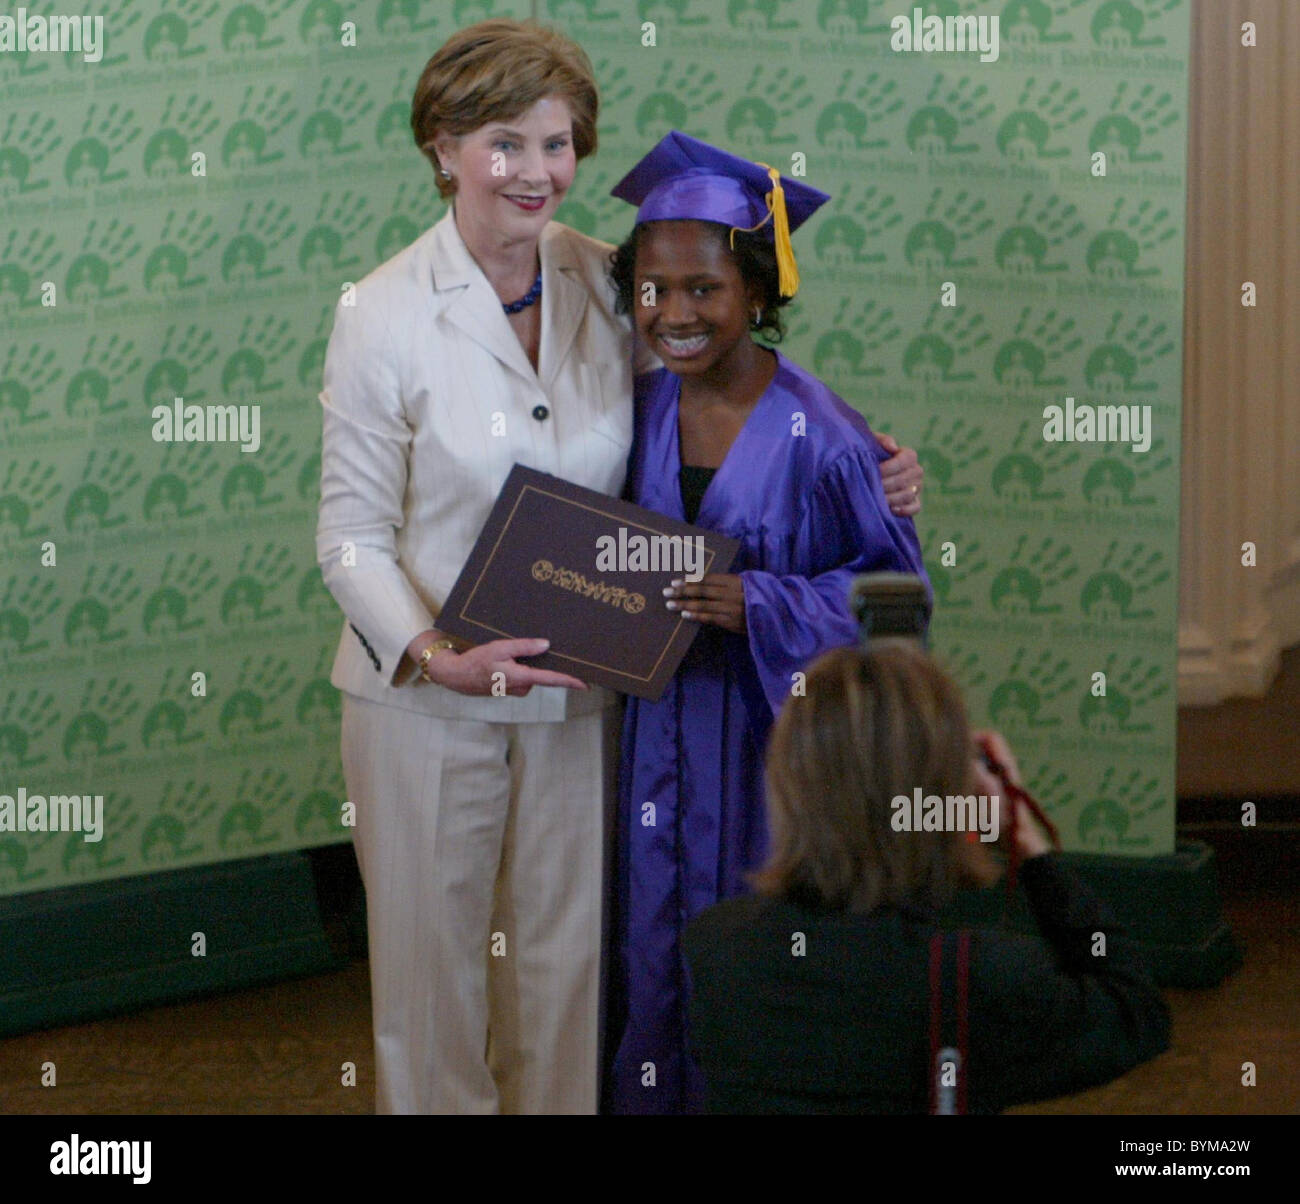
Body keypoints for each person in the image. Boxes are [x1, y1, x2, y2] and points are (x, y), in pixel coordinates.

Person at [317, 21, 923, 1114]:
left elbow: (725, 382)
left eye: (557, 144)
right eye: (505, 143)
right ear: (442, 147)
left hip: (587, 693)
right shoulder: (382, 314)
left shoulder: (610, 279)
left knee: (564, 976)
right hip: (428, 704)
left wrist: (871, 458)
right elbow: (349, 535)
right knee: (431, 981)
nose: (536, 171)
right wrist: (431, 653)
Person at [602, 132, 929, 1114]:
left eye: (702, 288)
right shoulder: (629, 413)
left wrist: (765, 603)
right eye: (652, 290)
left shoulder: (825, 435)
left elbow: (899, 609)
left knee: (757, 954)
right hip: (650, 739)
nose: (674, 313)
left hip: (768, 747)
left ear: (755, 288)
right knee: (648, 949)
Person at [684, 644, 1172, 1113]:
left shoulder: (716, 947)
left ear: (791, 782)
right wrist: (1028, 847)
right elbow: (1138, 1013)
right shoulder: (980, 979)